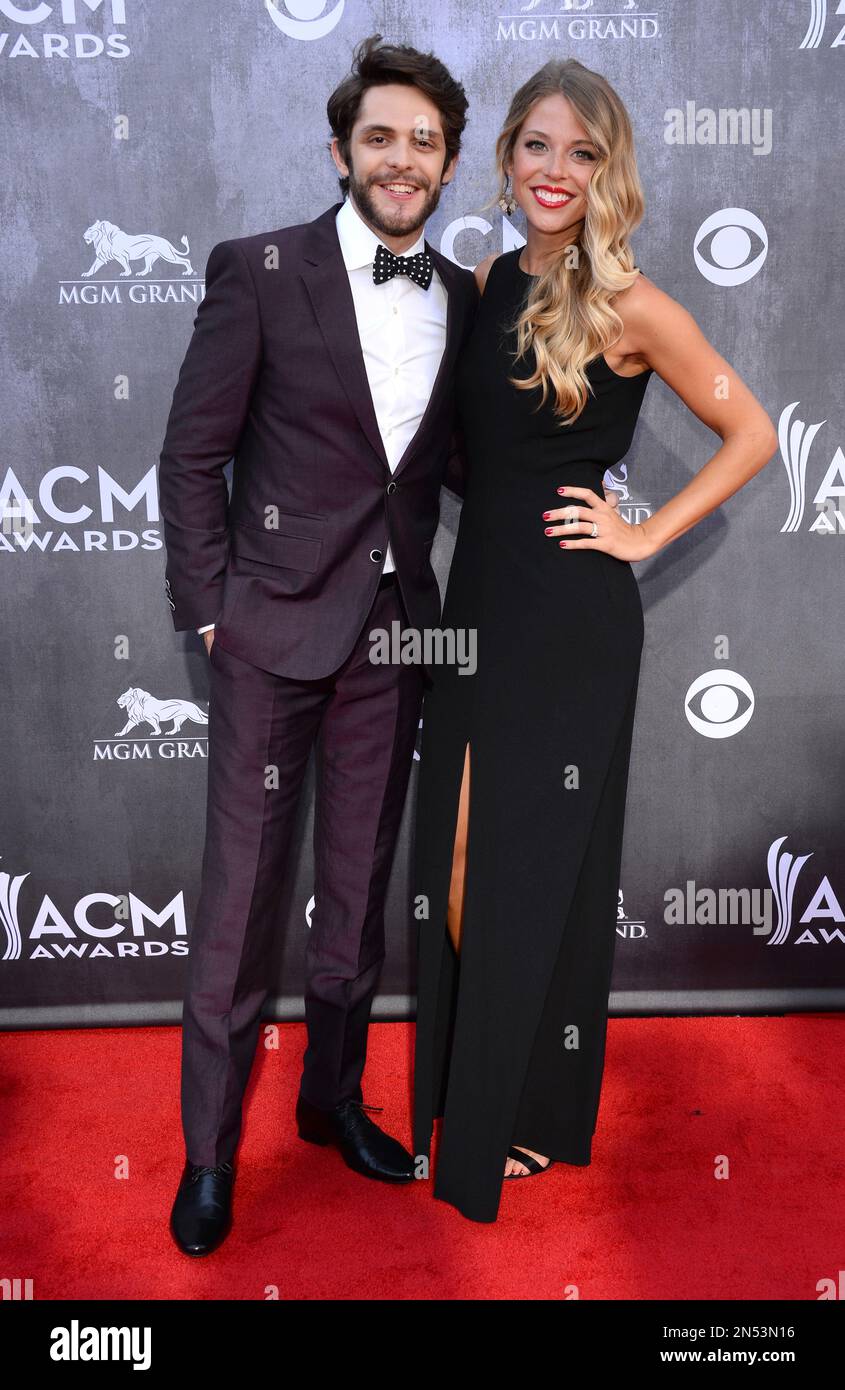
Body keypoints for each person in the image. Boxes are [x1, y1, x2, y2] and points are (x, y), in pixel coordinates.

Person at [411, 58, 778, 1223]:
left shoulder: (629, 303)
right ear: (505, 158)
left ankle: (509, 1115)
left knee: (525, 868)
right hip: (475, 606)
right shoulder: (480, 278)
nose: (554, 171)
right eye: (536, 147)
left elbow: (748, 431)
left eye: (580, 152)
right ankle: (514, 1093)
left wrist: (639, 531)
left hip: (568, 618)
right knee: (460, 869)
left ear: (605, 170)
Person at [159, 33, 480, 1257]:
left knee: (352, 897)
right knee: (240, 907)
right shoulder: (259, 270)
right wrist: (210, 608)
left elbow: (448, 467)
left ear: (447, 166)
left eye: (426, 142)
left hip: (395, 635)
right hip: (268, 631)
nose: (403, 160)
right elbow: (191, 455)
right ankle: (205, 1153)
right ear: (342, 149)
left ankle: (328, 1100)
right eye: (382, 137)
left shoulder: (458, 296)